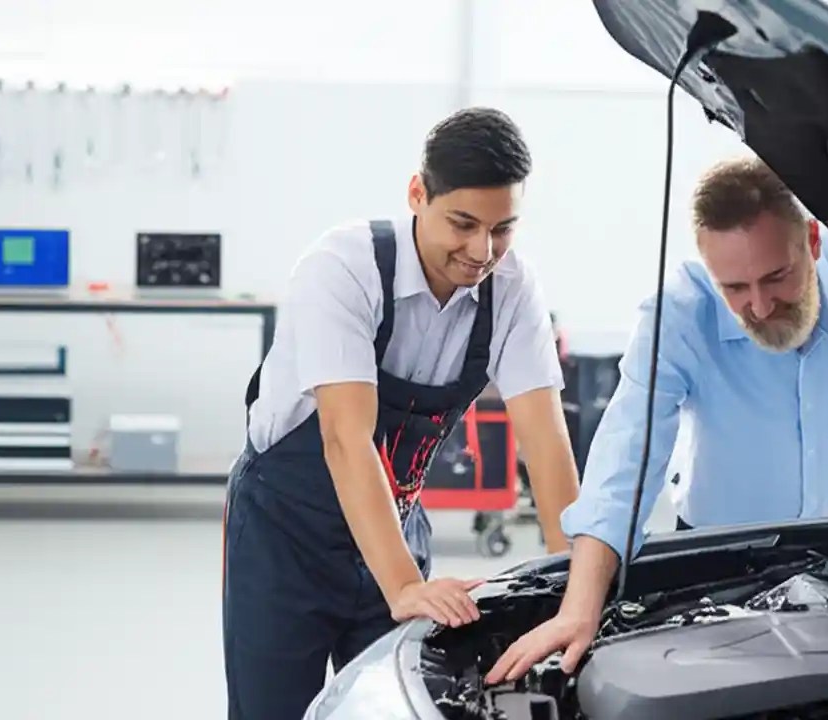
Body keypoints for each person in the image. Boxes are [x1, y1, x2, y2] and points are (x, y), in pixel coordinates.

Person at [484, 155, 828, 685]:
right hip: (720, 560)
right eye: (735, 287)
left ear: (814, 243)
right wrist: (578, 608)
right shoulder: (679, 314)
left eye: (777, 277)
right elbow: (626, 461)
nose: (758, 305)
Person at [222, 106, 582, 719]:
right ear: (418, 193)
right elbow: (345, 438)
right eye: (463, 224)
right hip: (285, 539)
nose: (482, 250)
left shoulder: (513, 287)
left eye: (502, 229)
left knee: (404, 708)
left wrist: (573, 589)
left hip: (396, 525)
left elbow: (546, 440)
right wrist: (404, 588)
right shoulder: (343, 268)